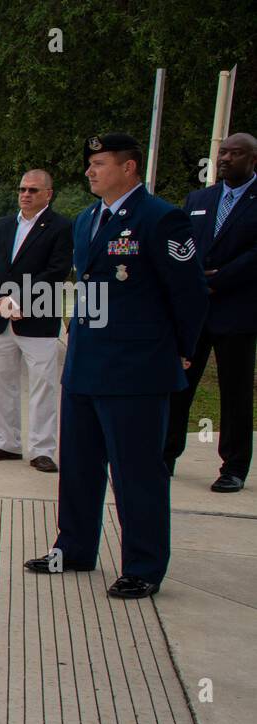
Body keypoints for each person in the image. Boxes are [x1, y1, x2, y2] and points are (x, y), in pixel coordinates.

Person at [25, 133, 208, 599]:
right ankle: (76, 547)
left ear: (129, 168)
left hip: (135, 369)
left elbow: (188, 294)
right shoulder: (88, 219)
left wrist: (182, 350)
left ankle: (143, 566)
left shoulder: (162, 218)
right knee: (80, 467)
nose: (90, 171)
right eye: (89, 163)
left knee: (136, 473)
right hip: (87, 363)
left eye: (100, 163)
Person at [165, 132, 257, 492]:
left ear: (252, 160)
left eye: (235, 154)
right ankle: (165, 454)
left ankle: (233, 467)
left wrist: (222, 278)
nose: (225, 159)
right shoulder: (199, 199)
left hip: (238, 311)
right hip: (195, 311)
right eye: (222, 153)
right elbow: (181, 243)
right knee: (179, 385)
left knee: (235, 392)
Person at [0, 169, 73, 473]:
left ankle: (42, 450)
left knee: (42, 385)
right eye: (22, 189)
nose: (26, 194)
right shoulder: (2, 226)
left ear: (48, 194)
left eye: (33, 190)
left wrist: (19, 300)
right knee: (0, 381)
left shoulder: (61, 227)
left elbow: (57, 271)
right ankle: (7, 443)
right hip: (0, 319)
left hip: (38, 320)